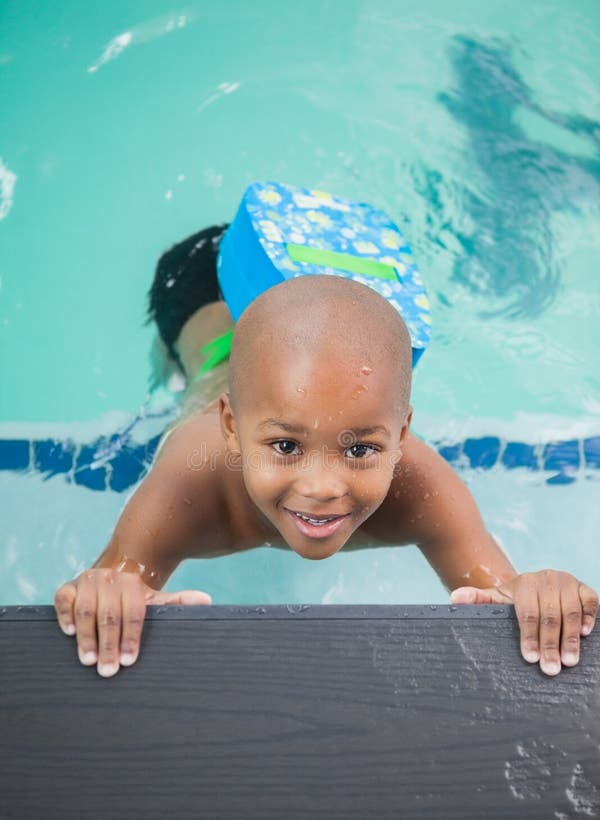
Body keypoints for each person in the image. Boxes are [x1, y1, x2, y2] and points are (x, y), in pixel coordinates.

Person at [54, 231, 598, 679]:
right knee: (183, 366)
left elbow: (502, 594)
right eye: (285, 445)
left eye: (360, 448)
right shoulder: (189, 482)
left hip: (281, 350)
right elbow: (115, 583)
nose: (321, 487)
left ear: (402, 433)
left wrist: (538, 592)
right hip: (201, 307)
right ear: (230, 426)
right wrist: (108, 587)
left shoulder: (422, 487)